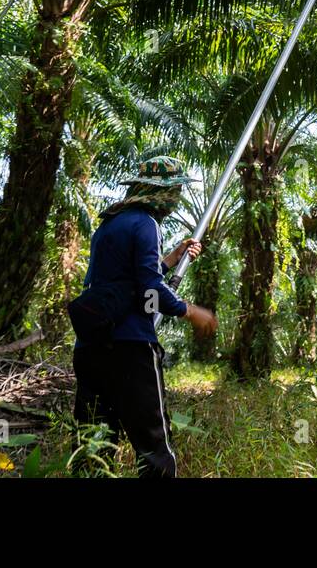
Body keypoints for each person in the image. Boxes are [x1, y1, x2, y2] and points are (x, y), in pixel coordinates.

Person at [72, 156, 217, 477]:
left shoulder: (110, 224)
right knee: (154, 448)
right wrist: (190, 311)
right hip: (130, 350)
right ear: (163, 193)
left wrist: (172, 258)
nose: (177, 199)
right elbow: (149, 289)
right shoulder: (147, 224)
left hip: (90, 347)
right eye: (176, 191)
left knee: (93, 444)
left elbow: (124, 283)